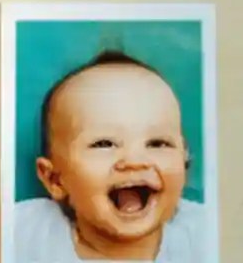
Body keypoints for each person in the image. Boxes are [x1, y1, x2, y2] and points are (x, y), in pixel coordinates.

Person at [15, 51, 207, 262]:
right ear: (55, 179)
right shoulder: (24, 233)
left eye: (158, 143)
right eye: (104, 144)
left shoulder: (204, 236)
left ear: (184, 161)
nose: (135, 161)